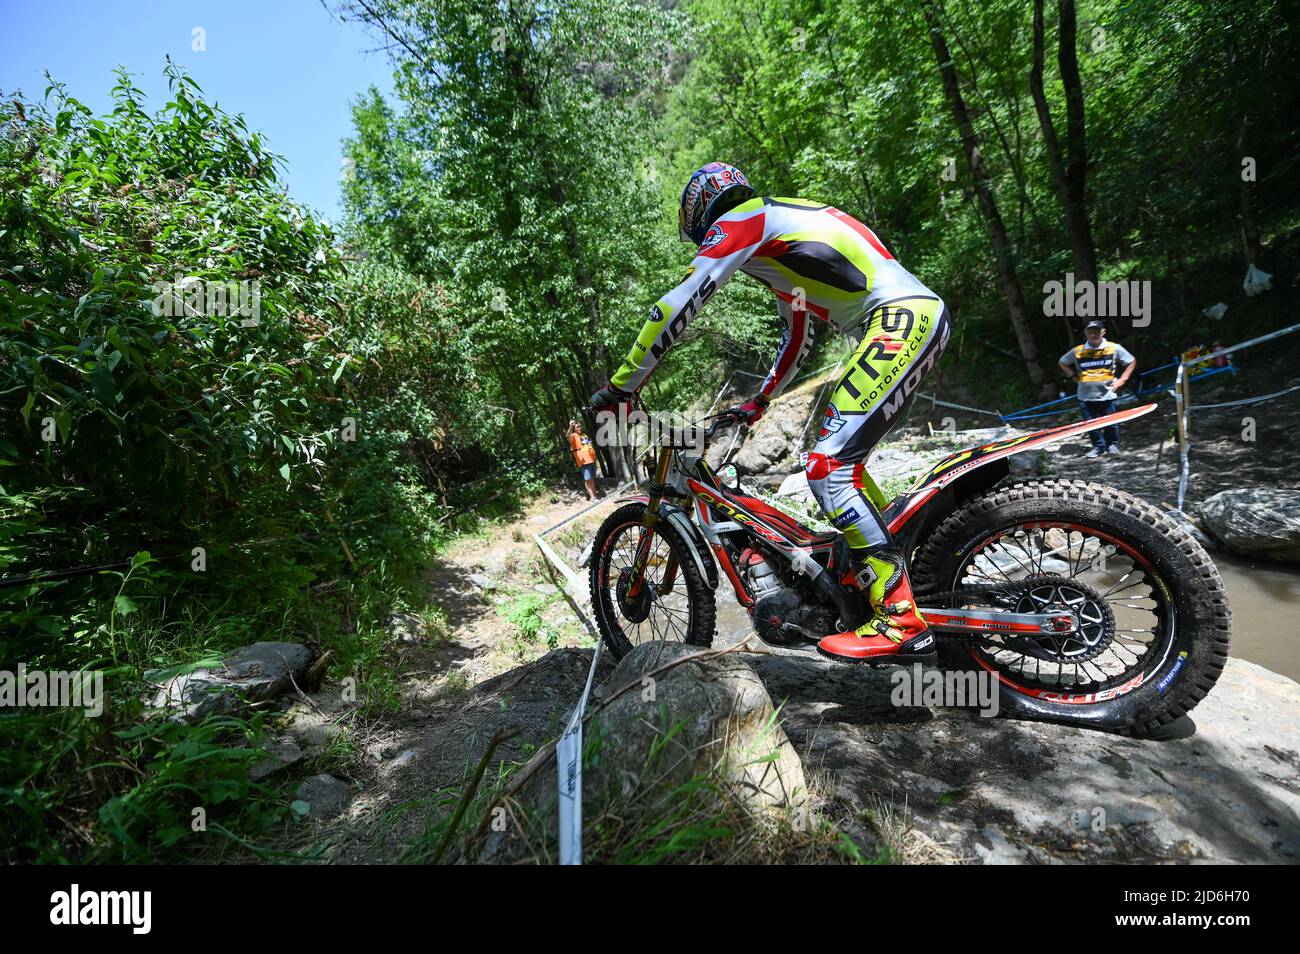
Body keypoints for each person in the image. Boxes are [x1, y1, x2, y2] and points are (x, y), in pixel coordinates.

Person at [590, 162, 952, 664]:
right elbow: (797, 336)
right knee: (843, 458)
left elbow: (676, 304)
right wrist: (757, 402)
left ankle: (899, 618)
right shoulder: (780, 235)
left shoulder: (743, 221)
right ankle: (880, 562)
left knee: (828, 467)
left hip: (898, 319)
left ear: (700, 209)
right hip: (910, 316)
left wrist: (622, 385)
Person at [1058, 320, 1136, 458]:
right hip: (1085, 395)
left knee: (1111, 423)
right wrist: (1072, 376)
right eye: (1090, 332)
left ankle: (1112, 445)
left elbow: (1131, 361)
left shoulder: (1114, 348)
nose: (1093, 335)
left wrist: (1123, 379)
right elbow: (1062, 362)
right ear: (1086, 333)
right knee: (1090, 424)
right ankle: (1098, 446)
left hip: (1107, 394)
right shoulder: (1078, 351)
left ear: (1103, 332)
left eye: (1097, 332)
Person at [567, 420, 599, 500]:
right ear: (574, 429)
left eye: (580, 426)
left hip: (592, 459)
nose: (580, 428)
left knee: (591, 478)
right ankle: (592, 497)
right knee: (587, 479)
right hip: (583, 461)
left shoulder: (584, 435)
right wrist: (571, 426)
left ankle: (595, 496)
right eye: (578, 427)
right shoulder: (573, 436)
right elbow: (567, 436)